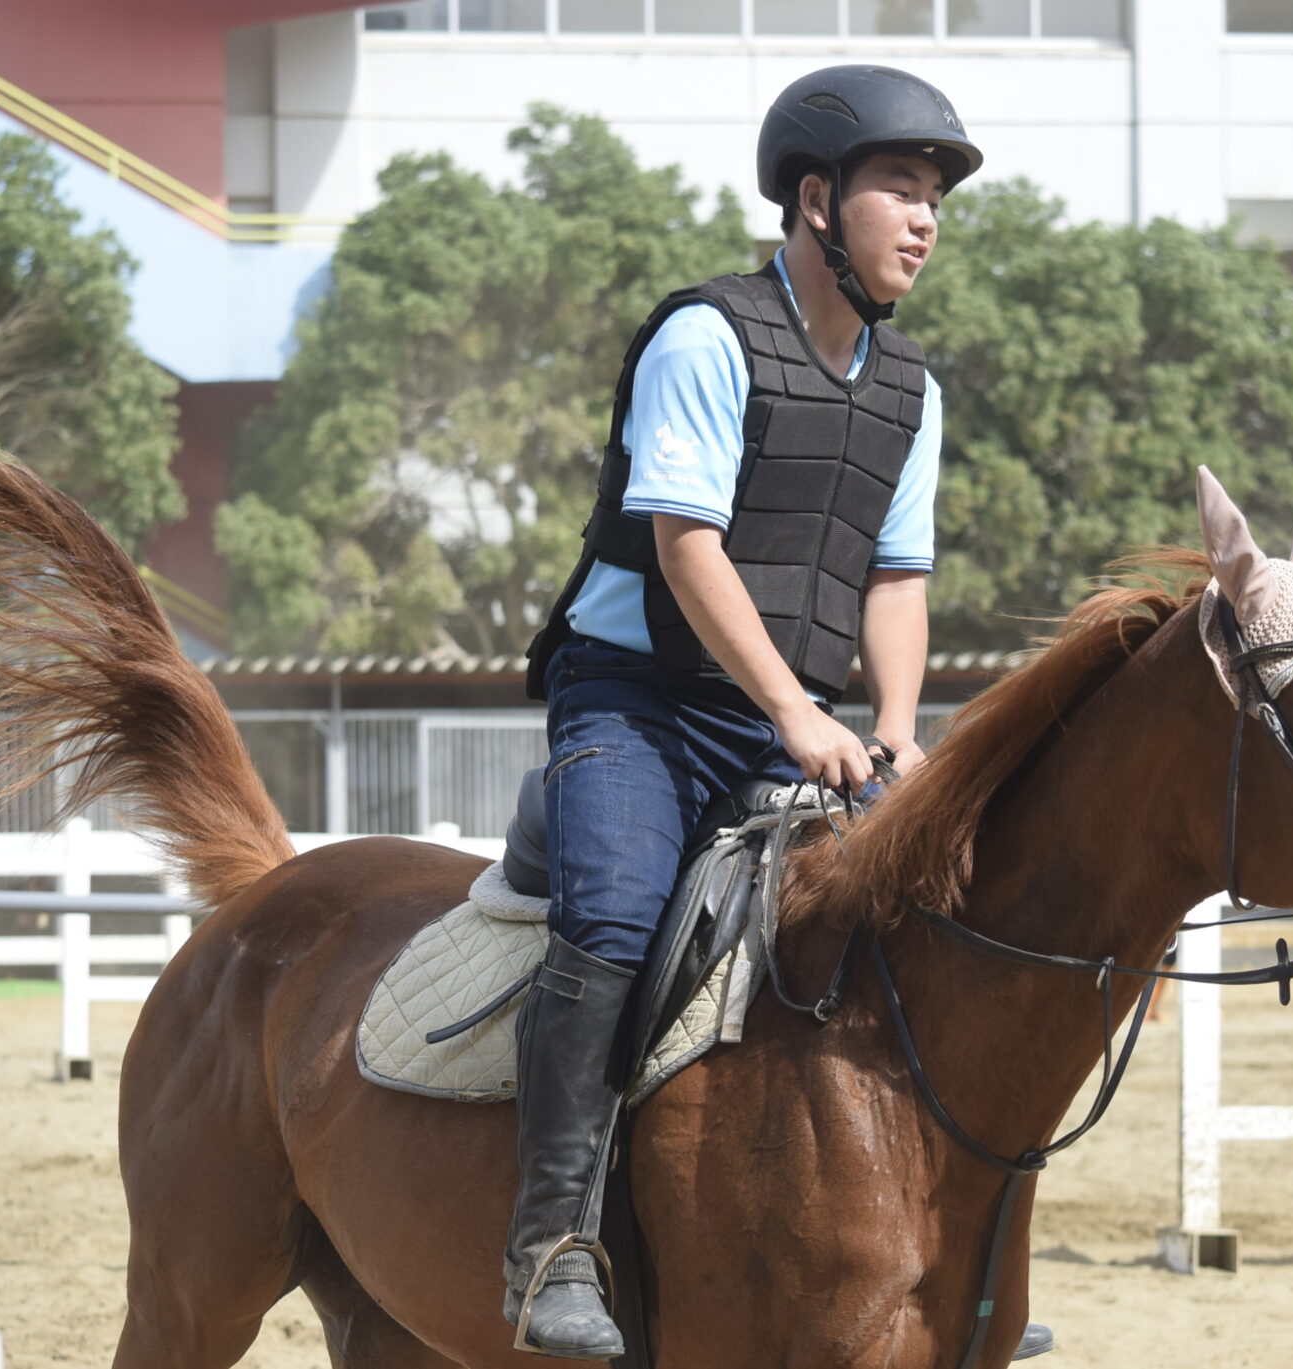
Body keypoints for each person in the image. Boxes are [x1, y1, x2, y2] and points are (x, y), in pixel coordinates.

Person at [502, 67, 1050, 1362]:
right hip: (635, 703)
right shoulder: (706, 336)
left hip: (796, 722)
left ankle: (947, 1257)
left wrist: (901, 727)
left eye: (935, 199)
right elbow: (686, 547)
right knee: (620, 915)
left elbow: (898, 576)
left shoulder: (909, 386)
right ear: (816, 201)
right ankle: (549, 1250)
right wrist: (802, 710)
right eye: (900, 190)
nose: (925, 219)